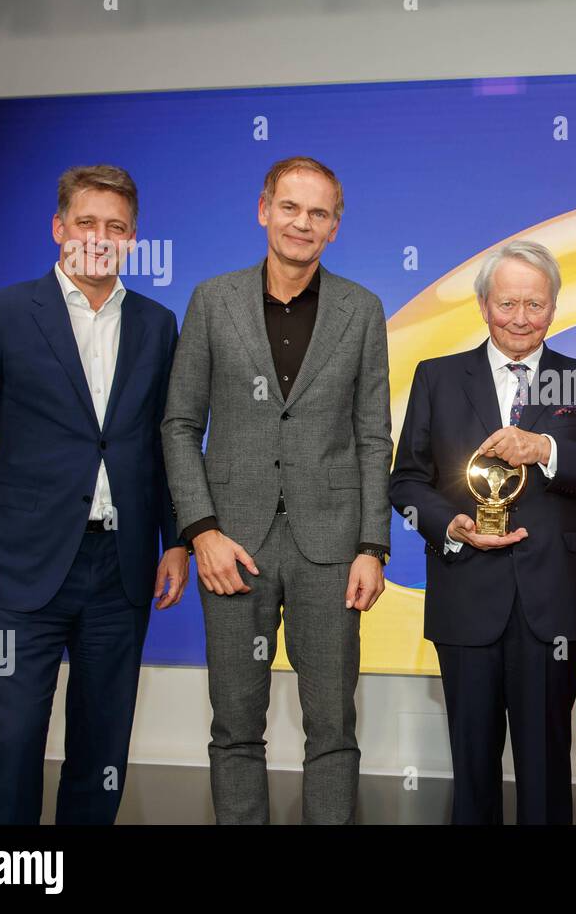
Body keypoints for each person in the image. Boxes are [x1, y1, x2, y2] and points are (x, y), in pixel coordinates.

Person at [0, 165, 188, 824]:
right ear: (58, 228)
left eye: (116, 227)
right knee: (14, 742)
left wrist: (176, 541)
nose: (100, 238)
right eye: (86, 223)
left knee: (102, 749)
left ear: (133, 238)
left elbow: (165, 444)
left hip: (120, 571)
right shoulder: (3, 314)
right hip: (19, 570)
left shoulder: (158, 325)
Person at [161, 156, 392, 824]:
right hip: (231, 543)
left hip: (331, 546)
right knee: (235, 726)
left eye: (318, 213)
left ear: (335, 228)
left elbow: (374, 436)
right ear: (263, 209)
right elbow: (179, 424)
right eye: (290, 207)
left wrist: (372, 545)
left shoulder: (362, 309)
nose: (302, 223)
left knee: (332, 730)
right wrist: (201, 531)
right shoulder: (212, 300)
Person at [389, 239, 576, 824]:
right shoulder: (437, 378)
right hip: (466, 591)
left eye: (535, 305)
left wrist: (544, 448)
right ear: (483, 305)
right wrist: (452, 526)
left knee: (547, 766)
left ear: (554, 307)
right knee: (471, 764)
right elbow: (406, 483)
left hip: (554, 600)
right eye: (508, 304)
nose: (521, 318)